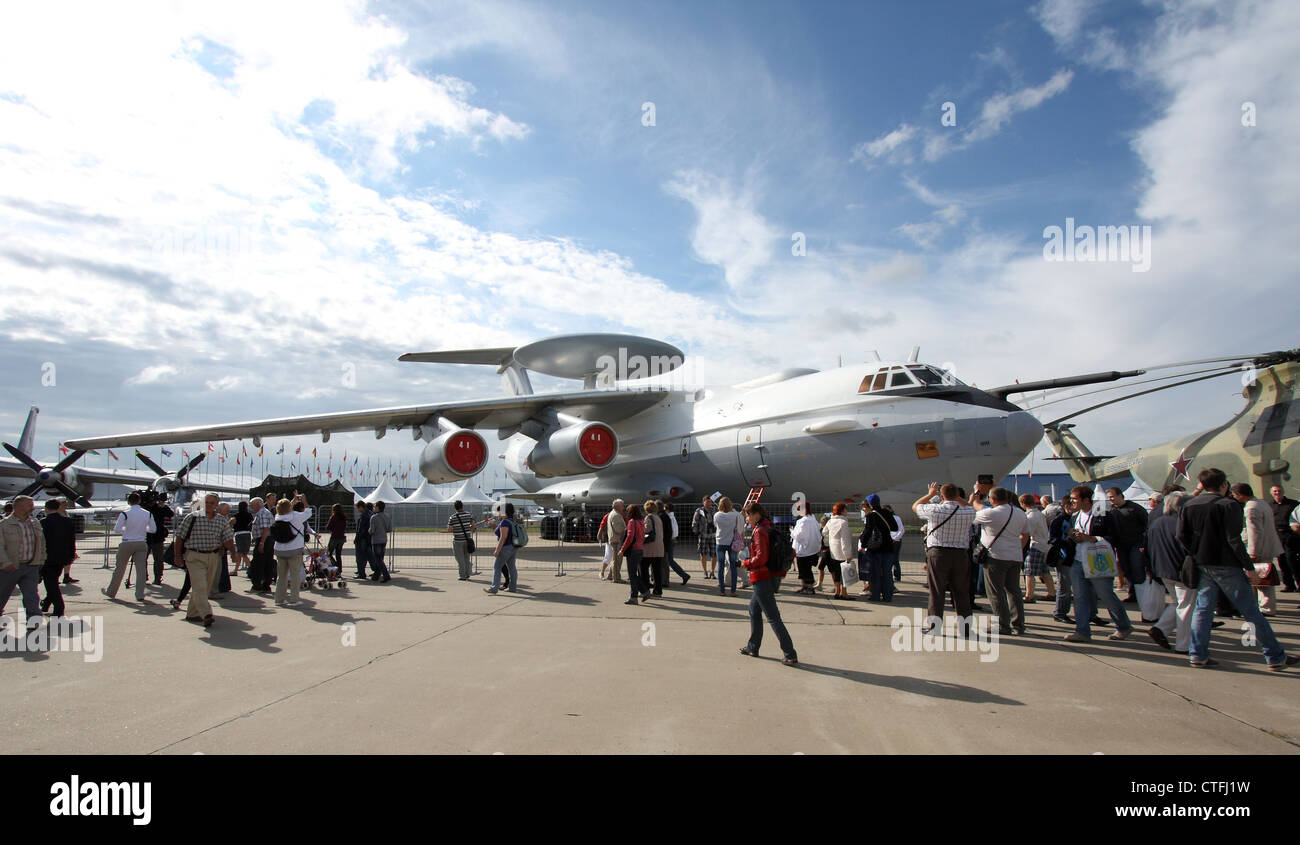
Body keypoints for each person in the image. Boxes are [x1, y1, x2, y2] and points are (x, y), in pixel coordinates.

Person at [1180, 468, 1298, 670]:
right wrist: (1248, 567)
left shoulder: (1189, 505)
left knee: (1203, 610)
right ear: (1224, 485)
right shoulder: (1229, 505)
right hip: (1227, 564)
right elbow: (1233, 539)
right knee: (1251, 611)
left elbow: (1182, 536)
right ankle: (1275, 656)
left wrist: (1196, 552)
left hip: (1203, 563)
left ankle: (1197, 654)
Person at [1063, 486, 1134, 643]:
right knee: (1080, 597)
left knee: (1106, 595)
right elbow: (1072, 532)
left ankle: (1123, 625)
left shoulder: (1102, 514)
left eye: (1074, 498)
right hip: (1078, 560)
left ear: (1086, 500)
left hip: (1097, 560)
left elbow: (1114, 536)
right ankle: (1082, 631)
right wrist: (1073, 535)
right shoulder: (1075, 516)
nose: (1071, 501)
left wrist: (1091, 538)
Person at [737, 502, 798, 666]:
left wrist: (746, 563)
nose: (747, 519)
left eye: (748, 516)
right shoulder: (769, 526)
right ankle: (753, 646)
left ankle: (790, 653)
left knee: (773, 617)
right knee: (753, 610)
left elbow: (761, 558)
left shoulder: (760, 531)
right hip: (770, 576)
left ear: (756, 514)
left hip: (762, 577)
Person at [913, 482, 975, 633]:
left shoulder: (935, 510)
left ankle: (934, 626)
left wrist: (930, 494)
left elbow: (916, 506)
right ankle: (965, 628)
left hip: (939, 552)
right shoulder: (967, 512)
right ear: (958, 495)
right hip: (960, 554)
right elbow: (970, 506)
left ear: (942, 495)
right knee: (961, 591)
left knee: (937, 590)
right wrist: (959, 499)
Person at [971, 487, 1029, 635]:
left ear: (992, 499)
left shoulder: (990, 513)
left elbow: (974, 512)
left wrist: (975, 499)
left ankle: (1002, 624)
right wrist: (1017, 548)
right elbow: (1025, 535)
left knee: (996, 593)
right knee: (1014, 591)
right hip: (1015, 556)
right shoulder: (1020, 513)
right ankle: (1019, 624)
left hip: (995, 557)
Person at [173, 493, 236, 627]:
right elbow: (180, 537)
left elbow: (227, 538)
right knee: (200, 585)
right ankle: (206, 613)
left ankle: (192, 613)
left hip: (213, 555)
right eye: (206, 502)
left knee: (204, 587)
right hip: (194, 555)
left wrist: (233, 553)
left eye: (212, 503)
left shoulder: (221, 520)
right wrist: (177, 556)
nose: (208, 505)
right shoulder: (192, 517)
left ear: (216, 505)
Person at [1147, 492, 1193, 652]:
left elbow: (1150, 547)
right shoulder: (1181, 522)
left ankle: (1161, 629)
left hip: (1163, 569)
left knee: (1177, 602)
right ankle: (1183, 644)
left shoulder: (1157, 522)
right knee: (1185, 606)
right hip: (1180, 570)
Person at [1232, 482, 1282, 614]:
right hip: (1267, 545)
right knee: (1264, 576)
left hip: (1259, 547)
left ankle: (1266, 607)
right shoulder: (1262, 503)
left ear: (1240, 495)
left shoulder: (1250, 507)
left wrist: (1253, 552)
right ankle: (1267, 606)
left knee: (1260, 578)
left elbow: (1254, 531)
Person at [0, 495, 45, 628]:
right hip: (10, 567)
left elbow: (41, 543)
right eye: (29, 505)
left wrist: (41, 559)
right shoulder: (4, 524)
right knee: (2, 594)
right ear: (19, 507)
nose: (32, 507)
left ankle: (34, 620)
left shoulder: (35, 523)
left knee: (32, 594)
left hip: (31, 566)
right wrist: (5, 563)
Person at [106, 492, 156, 603]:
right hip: (141, 543)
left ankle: (111, 591)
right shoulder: (147, 514)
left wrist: (127, 529)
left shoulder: (125, 513)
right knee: (141, 570)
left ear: (129, 501)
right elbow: (153, 529)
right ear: (139, 501)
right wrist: (143, 529)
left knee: (120, 568)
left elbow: (117, 529)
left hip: (127, 542)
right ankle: (140, 594)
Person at [1103, 487, 1149, 604]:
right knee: (1126, 569)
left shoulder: (1135, 508)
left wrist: (1144, 542)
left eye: (1112, 496)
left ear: (1120, 495)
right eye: (1109, 498)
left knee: (1137, 568)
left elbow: (1147, 524)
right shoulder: (1111, 511)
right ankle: (1133, 594)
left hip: (1136, 543)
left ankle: (1142, 594)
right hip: (1121, 545)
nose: (1110, 499)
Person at [271, 495, 313, 607]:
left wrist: (291, 502)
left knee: (281, 576)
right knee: (295, 575)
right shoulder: (296, 516)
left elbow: (284, 509)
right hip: (294, 549)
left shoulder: (277, 517)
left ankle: (279, 599)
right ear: (290, 507)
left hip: (280, 549)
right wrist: (304, 501)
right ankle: (294, 599)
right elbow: (308, 512)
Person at [40, 499, 75, 617]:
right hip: (63, 557)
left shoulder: (44, 522)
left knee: (51, 584)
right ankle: (46, 603)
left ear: (46, 508)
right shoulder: (67, 521)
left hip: (48, 557)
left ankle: (59, 608)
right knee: (53, 581)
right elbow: (72, 540)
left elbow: (41, 542)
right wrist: (71, 555)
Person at [1046, 493, 1077, 624]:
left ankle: (1062, 611)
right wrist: (1068, 538)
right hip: (1064, 556)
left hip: (1072, 554)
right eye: (1073, 504)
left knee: (1068, 585)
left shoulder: (1074, 518)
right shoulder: (1059, 520)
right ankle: (1060, 612)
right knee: (1064, 585)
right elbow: (1053, 539)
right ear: (1067, 506)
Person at [858, 495, 896, 601]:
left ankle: (875, 596)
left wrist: (863, 544)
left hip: (875, 548)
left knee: (875, 573)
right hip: (888, 547)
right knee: (887, 573)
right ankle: (888, 596)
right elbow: (894, 527)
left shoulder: (871, 516)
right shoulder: (887, 512)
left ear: (870, 504)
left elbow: (868, 532)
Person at [1020, 493, 1056, 603]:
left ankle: (1029, 595)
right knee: (1044, 571)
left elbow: (1027, 533)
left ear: (1023, 504)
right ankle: (1052, 592)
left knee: (1029, 571)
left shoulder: (1030, 517)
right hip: (1044, 544)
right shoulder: (1039, 514)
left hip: (1037, 545)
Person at [1268, 485, 1299, 592]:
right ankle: (1289, 585)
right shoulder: (1270, 505)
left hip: (1291, 536)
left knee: (1292, 560)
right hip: (1277, 536)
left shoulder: (1293, 504)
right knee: (1282, 561)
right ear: (1271, 493)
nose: (1277, 493)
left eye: (1279, 491)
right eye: (1275, 491)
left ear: (1283, 491)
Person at [484, 502, 520, 595]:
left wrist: (497, 550)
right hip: (513, 547)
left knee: (497, 567)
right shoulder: (512, 520)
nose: (498, 513)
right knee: (512, 567)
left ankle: (493, 588)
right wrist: (495, 527)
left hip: (505, 547)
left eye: (500, 511)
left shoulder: (504, 522)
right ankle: (512, 587)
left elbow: (503, 537)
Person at [822, 503, 854, 601]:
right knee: (844, 573)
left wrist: (829, 542)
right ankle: (844, 593)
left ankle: (837, 591)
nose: (847, 511)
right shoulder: (843, 523)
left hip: (833, 551)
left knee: (836, 572)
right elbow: (845, 540)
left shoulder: (830, 521)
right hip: (842, 552)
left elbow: (824, 533)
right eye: (846, 509)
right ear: (843, 510)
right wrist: (848, 554)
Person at [713, 497, 744, 597]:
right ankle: (733, 591)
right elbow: (740, 529)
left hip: (720, 542)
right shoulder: (736, 515)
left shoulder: (717, 515)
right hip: (732, 543)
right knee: (733, 566)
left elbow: (716, 526)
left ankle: (722, 590)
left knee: (721, 566)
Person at [790, 501, 821, 595]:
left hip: (804, 549)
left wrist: (792, 532)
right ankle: (805, 586)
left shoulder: (804, 521)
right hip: (812, 549)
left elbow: (799, 535)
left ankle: (809, 588)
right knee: (806, 569)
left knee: (804, 570)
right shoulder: (813, 520)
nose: (798, 511)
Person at [619, 503, 646, 604]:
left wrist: (622, 549)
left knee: (632, 575)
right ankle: (641, 592)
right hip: (640, 549)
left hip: (633, 550)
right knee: (634, 574)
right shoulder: (641, 521)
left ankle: (636, 595)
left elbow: (629, 537)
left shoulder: (632, 522)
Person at [248, 497, 275, 594]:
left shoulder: (262, 513)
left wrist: (261, 543)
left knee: (258, 563)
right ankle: (265, 586)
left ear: (257, 504)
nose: (251, 508)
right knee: (267, 563)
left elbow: (265, 529)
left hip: (264, 540)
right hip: (267, 540)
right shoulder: (265, 512)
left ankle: (257, 586)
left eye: (252, 506)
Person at [659, 499, 689, 585]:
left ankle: (684, 575)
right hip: (673, 539)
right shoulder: (672, 517)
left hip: (670, 540)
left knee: (669, 560)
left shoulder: (669, 517)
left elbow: (670, 531)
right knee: (670, 560)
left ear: (667, 509)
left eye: (664, 508)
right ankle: (684, 575)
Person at [641, 500, 665, 597]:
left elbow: (646, 530)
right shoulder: (658, 518)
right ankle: (658, 590)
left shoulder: (649, 518)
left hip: (649, 548)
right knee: (657, 570)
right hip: (659, 547)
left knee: (644, 569)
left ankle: (645, 589)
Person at [448, 500, 475, 580]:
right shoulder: (468, 514)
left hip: (457, 540)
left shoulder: (452, 517)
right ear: (462, 506)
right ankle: (467, 573)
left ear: (455, 508)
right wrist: (470, 529)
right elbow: (473, 525)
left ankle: (462, 575)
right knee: (467, 557)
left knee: (460, 558)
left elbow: (449, 529)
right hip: (467, 540)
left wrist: (456, 529)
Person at [146, 498, 170, 585]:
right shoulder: (144, 508)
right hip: (145, 537)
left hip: (158, 537)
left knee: (158, 559)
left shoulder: (160, 508)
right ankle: (144, 576)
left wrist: (163, 506)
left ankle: (158, 577)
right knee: (143, 559)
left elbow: (170, 514)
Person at [693, 496, 717, 579]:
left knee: (714, 554)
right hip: (703, 535)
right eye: (707, 502)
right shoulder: (699, 511)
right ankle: (705, 572)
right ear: (703, 502)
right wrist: (697, 532)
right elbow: (695, 522)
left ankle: (712, 572)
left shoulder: (714, 510)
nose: (709, 503)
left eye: (710, 502)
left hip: (713, 535)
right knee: (703, 554)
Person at [368, 501, 392, 583]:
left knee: (378, 559)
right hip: (384, 539)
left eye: (375, 506)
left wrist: (369, 531)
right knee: (380, 558)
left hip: (376, 540)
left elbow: (372, 530)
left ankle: (386, 575)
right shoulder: (387, 517)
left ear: (378, 507)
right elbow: (389, 529)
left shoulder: (373, 517)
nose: (374, 508)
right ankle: (376, 575)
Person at [212, 502, 233, 596]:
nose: (228, 512)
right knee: (218, 568)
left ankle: (223, 585)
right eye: (226, 511)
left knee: (222, 566)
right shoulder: (217, 519)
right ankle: (218, 587)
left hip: (223, 546)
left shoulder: (224, 518)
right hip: (218, 546)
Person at [604, 499, 626, 583]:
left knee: (615, 559)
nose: (623, 507)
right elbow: (618, 529)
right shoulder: (616, 515)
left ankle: (611, 575)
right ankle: (616, 578)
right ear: (618, 506)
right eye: (622, 505)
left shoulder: (613, 514)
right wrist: (625, 529)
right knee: (617, 560)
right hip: (617, 539)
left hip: (614, 539)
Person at [231, 500, 253, 577]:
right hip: (247, 534)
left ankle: (252, 568)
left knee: (241, 553)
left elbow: (232, 525)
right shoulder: (249, 515)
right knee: (241, 553)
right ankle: (235, 570)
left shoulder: (236, 515)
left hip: (239, 534)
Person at [325, 503, 347, 576]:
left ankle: (336, 566)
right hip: (341, 538)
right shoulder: (343, 517)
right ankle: (339, 569)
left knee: (329, 553)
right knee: (338, 554)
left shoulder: (333, 517)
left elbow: (328, 527)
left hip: (334, 537)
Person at [353, 501, 371, 580]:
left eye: (358, 508)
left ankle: (361, 573)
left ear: (361, 507)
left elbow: (361, 529)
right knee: (368, 556)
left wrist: (357, 539)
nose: (358, 509)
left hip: (362, 539)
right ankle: (376, 571)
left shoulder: (363, 516)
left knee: (360, 557)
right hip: (368, 538)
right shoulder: (370, 513)